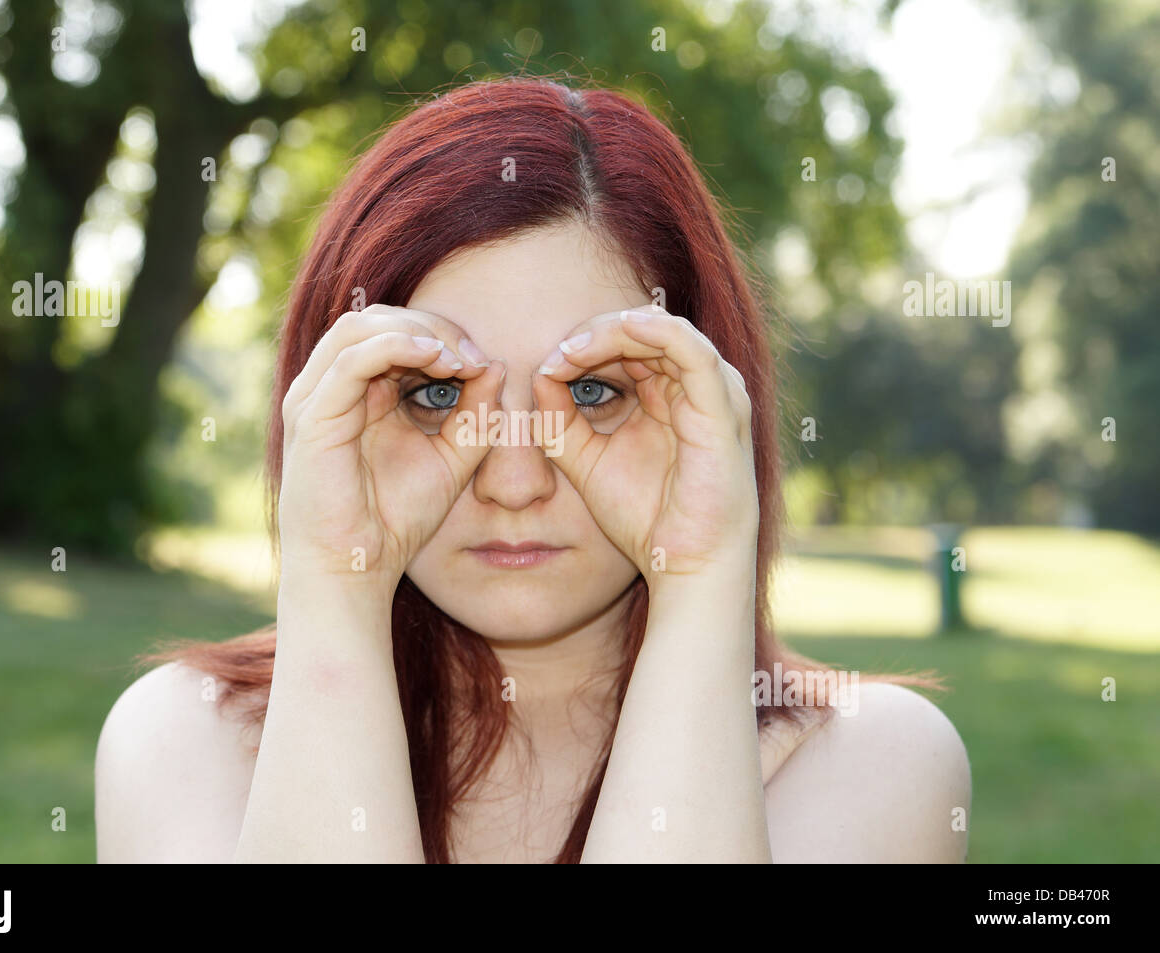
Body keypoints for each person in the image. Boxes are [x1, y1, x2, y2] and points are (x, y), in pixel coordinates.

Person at [95, 77, 971, 863]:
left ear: (720, 405)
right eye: (434, 393)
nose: (514, 483)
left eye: (593, 391)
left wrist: (701, 570)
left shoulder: (875, 762)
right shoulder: (189, 739)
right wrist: (334, 574)